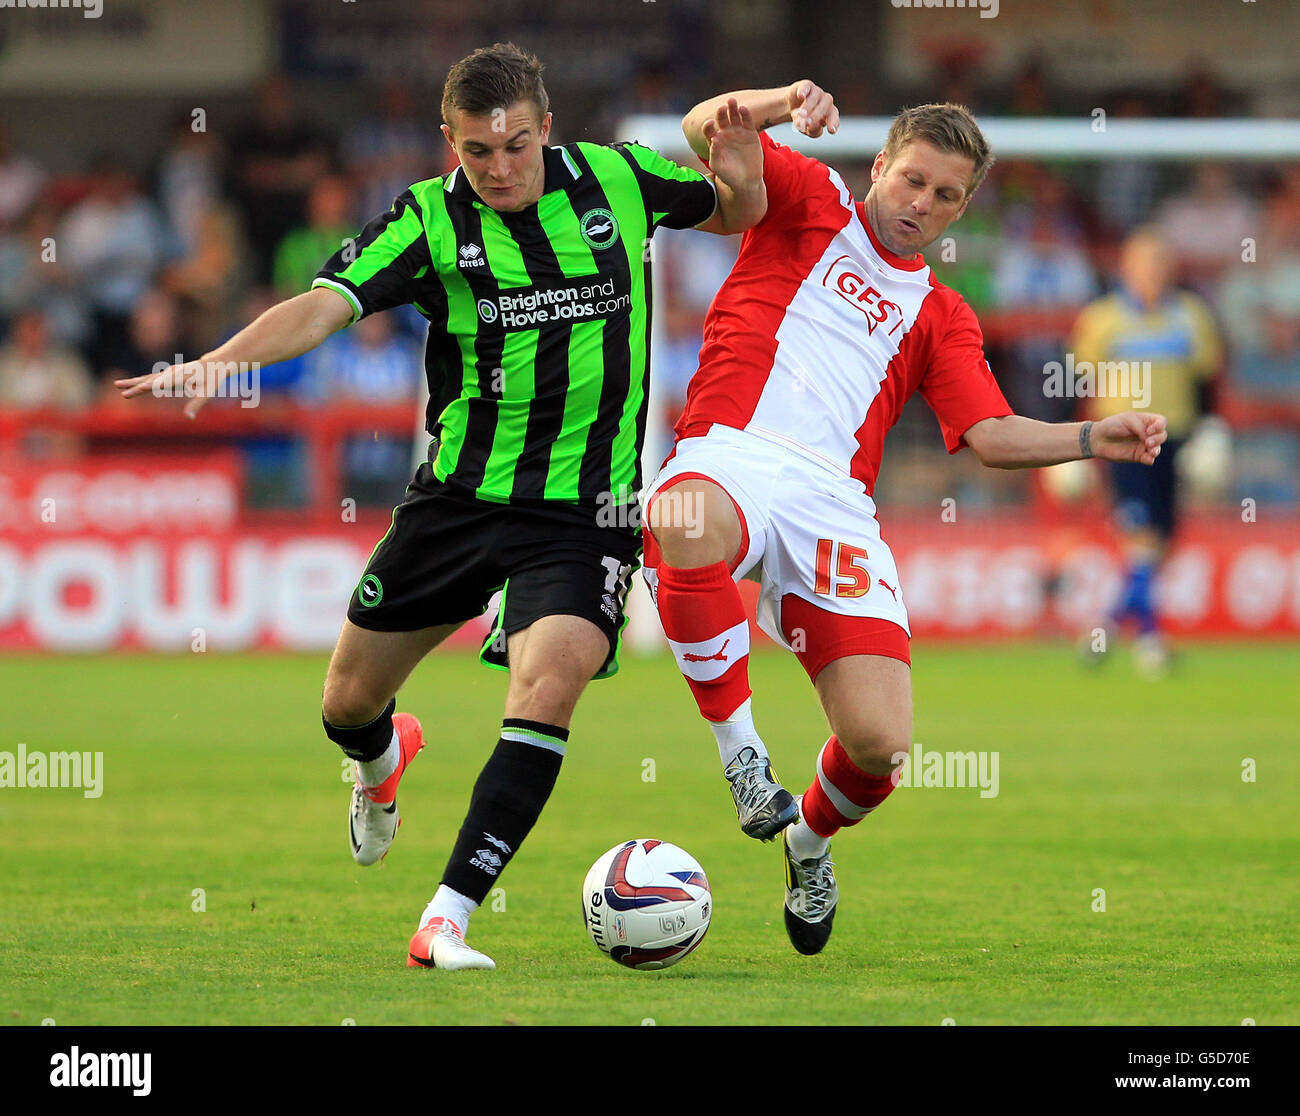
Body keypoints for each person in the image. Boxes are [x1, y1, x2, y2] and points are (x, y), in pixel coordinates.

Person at [116, 43, 767, 971]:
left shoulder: (623, 179)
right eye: (475, 151)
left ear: (547, 129)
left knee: (548, 687)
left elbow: (737, 212)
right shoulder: (428, 221)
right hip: (457, 502)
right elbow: (324, 306)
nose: (497, 168)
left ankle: (446, 918)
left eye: (514, 147)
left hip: (587, 512)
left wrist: (743, 170)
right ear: (448, 142)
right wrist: (222, 361)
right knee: (347, 704)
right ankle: (381, 767)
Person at [640, 81, 1168, 956]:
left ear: (964, 206)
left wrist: (1092, 436)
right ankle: (743, 758)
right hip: (733, 448)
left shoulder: (943, 312)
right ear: (880, 167)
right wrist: (783, 105)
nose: (923, 204)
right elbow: (704, 128)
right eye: (913, 180)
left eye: (947, 195)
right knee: (683, 517)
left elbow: (990, 435)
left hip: (836, 506)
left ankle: (807, 842)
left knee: (881, 746)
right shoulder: (809, 199)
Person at [1070, 228, 1223, 675]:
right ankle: (1152, 640)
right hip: (1124, 442)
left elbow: (1206, 376)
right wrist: (1069, 444)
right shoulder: (1103, 319)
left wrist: (1212, 427)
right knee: (1141, 537)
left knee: (1163, 541)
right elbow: (1075, 381)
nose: (1154, 273)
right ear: (1127, 267)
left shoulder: (1191, 315)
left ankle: (1108, 627)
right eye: (1146, 263)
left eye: (1162, 263)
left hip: (1176, 438)